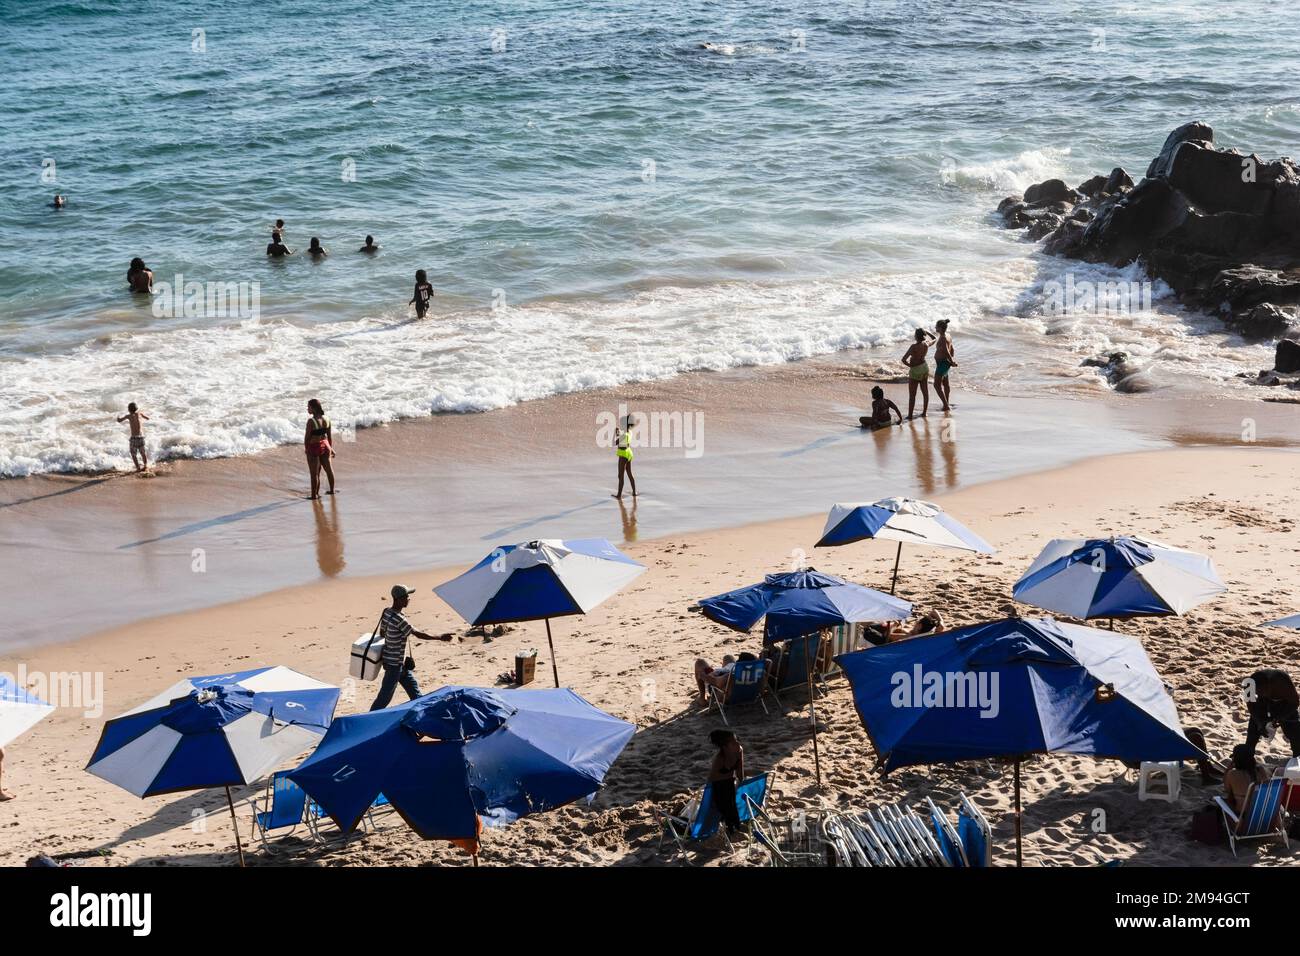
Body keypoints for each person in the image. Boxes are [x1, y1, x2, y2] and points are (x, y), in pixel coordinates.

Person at [369, 585, 456, 710]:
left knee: (415, 693)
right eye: (406, 597)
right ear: (398, 599)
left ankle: (422, 715)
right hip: (394, 665)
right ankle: (368, 718)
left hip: (396, 662)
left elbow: (383, 633)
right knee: (384, 699)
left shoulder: (386, 612)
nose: (409, 599)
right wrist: (440, 637)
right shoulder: (400, 619)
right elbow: (418, 634)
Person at [1243, 668, 1300, 757]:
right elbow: (1251, 707)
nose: (1260, 693)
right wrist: (1259, 722)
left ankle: (1297, 756)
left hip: (1284, 703)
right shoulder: (1249, 684)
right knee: (1253, 730)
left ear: (1269, 685)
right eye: (1257, 692)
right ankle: (1247, 756)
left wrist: (1280, 718)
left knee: (1294, 732)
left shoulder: (1281, 681)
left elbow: (1295, 703)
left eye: (1262, 691)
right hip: (1263, 702)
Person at [1223, 744, 1274, 826]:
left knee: (1222, 802)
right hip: (1266, 818)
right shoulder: (1261, 771)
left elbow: (1227, 789)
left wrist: (1229, 767)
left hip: (1244, 821)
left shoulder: (1232, 774)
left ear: (1236, 759)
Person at [707, 729, 745, 837]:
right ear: (725, 747)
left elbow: (740, 771)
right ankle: (730, 829)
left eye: (736, 740)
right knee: (726, 808)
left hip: (729, 783)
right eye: (733, 742)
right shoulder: (719, 759)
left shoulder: (739, 750)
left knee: (732, 805)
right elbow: (711, 779)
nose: (737, 743)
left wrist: (741, 784)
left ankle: (735, 827)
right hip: (718, 786)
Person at [304, 398, 336, 499]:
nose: (307, 409)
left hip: (314, 447)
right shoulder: (327, 419)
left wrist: (307, 449)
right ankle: (332, 490)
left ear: (313, 409)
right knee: (329, 470)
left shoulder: (311, 421)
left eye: (308, 407)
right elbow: (329, 437)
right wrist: (330, 448)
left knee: (314, 474)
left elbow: (307, 438)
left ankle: (314, 495)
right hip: (325, 446)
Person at [901, 328, 935, 419]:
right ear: (923, 336)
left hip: (915, 370)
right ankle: (924, 413)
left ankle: (910, 415)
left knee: (912, 395)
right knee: (925, 392)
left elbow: (903, 359)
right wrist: (927, 332)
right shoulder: (926, 344)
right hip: (924, 368)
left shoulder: (913, 347)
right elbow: (935, 338)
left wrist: (910, 365)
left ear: (916, 336)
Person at [116, 402, 150, 471]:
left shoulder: (128, 416)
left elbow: (119, 420)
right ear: (136, 408)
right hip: (141, 437)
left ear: (129, 410)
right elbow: (147, 418)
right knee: (143, 453)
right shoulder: (140, 414)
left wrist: (117, 417)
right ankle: (146, 466)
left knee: (133, 454)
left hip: (134, 438)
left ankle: (138, 468)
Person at [933, 319, 957, 412]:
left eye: (936, 326)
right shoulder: (948, 335)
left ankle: (946, 405)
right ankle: (946, 402)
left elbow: (947, 351)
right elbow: (952, 349)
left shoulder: (943, 337)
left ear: (940, 328)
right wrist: (950, 361)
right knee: (946, 383)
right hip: (945, 363)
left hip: (943, 363)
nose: (935, 327)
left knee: (936, 385)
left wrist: (951, 361)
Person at [614, 414, 637, 499]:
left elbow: (614, 443)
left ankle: (619, 495)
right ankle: (634, 492)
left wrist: (615, 433)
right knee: (630, 474)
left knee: (620, 476)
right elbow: (622, 439)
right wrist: (618, 433)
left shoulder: (624, 435)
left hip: (623, 455)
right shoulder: (629, 432)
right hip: (629, 453)